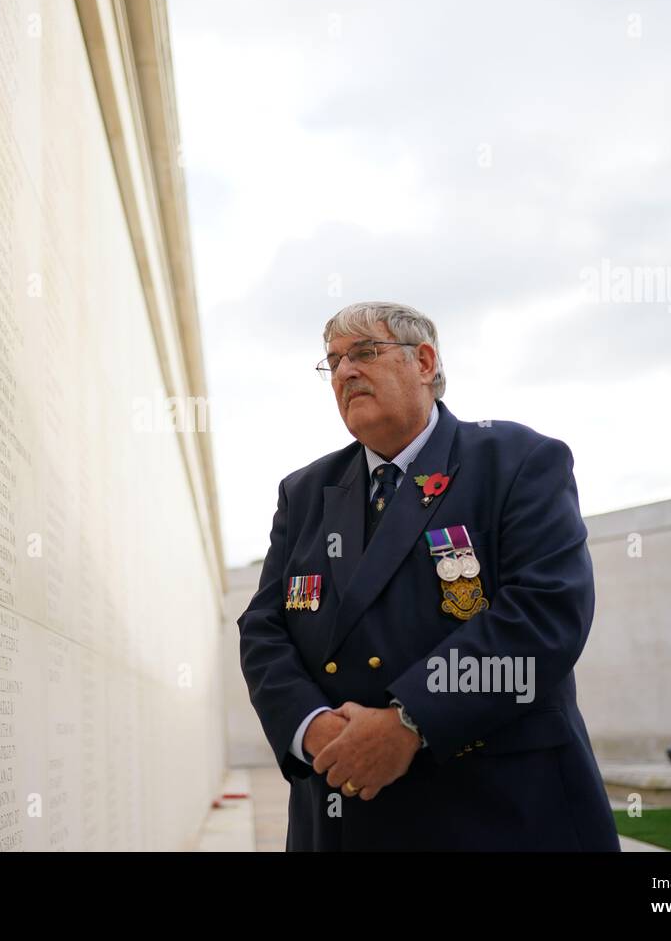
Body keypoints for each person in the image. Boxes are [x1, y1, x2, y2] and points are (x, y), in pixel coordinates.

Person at [236, 301, 619, 850]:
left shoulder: (515, 460)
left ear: (424, 361)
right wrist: (312, 727)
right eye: (333, 362)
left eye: (364, 352)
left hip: (497, 811)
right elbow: (263, 627)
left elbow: (544, 613)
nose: (344, 372)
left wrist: (411, 721)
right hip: (344, 810)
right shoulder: (304, 493)